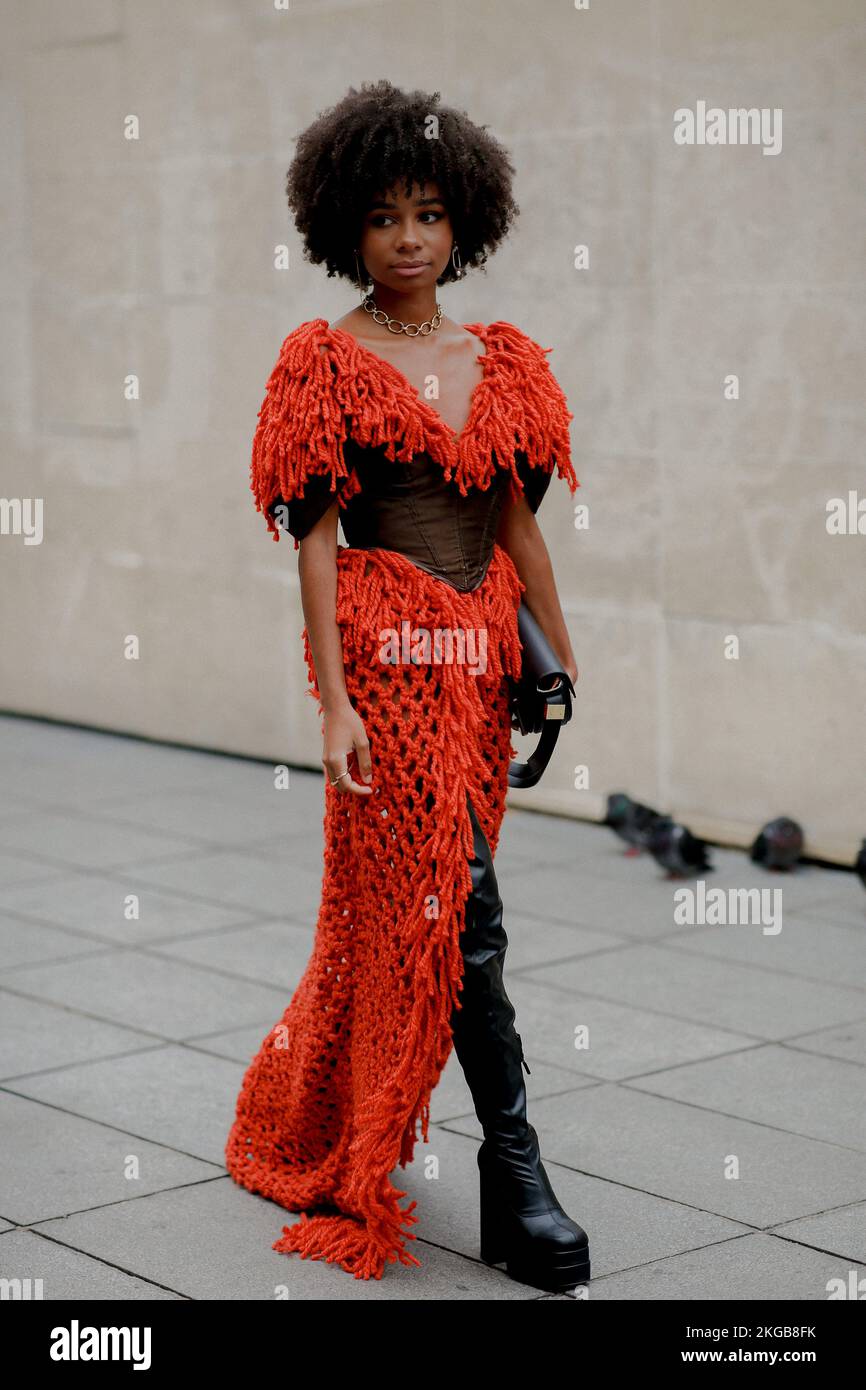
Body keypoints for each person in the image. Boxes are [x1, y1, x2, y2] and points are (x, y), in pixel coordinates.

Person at [224, 78, 590, 1292]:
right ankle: (517, 1174)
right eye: (384, 217)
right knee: (465, 916)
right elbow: (316, 544)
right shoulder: (319, 363)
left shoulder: (504, 360)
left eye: (430, 212)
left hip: (481, 664)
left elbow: (515, 528)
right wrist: (330, 703)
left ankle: (353, 1102)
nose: (409, 237)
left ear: (463, 223)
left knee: (436, 911)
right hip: (384, 667)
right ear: (346, 228)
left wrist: (556, 653)